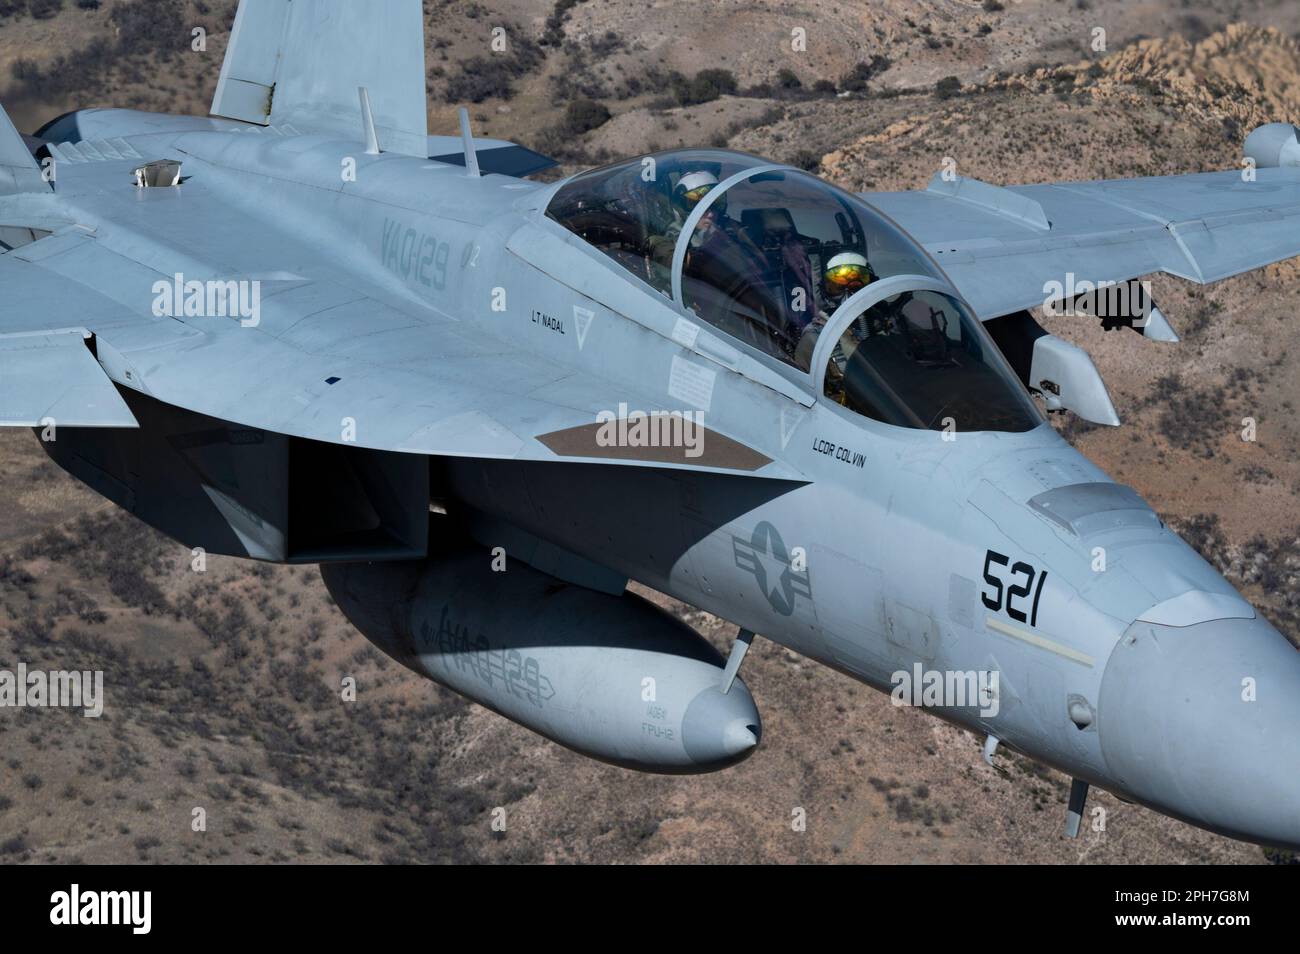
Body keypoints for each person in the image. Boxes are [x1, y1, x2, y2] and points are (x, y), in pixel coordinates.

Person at [794, 250, 876, 370]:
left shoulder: (888, 319)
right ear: (824, 291)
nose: (849, 293)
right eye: (838, 286)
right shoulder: (816, 337)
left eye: (856, 285)